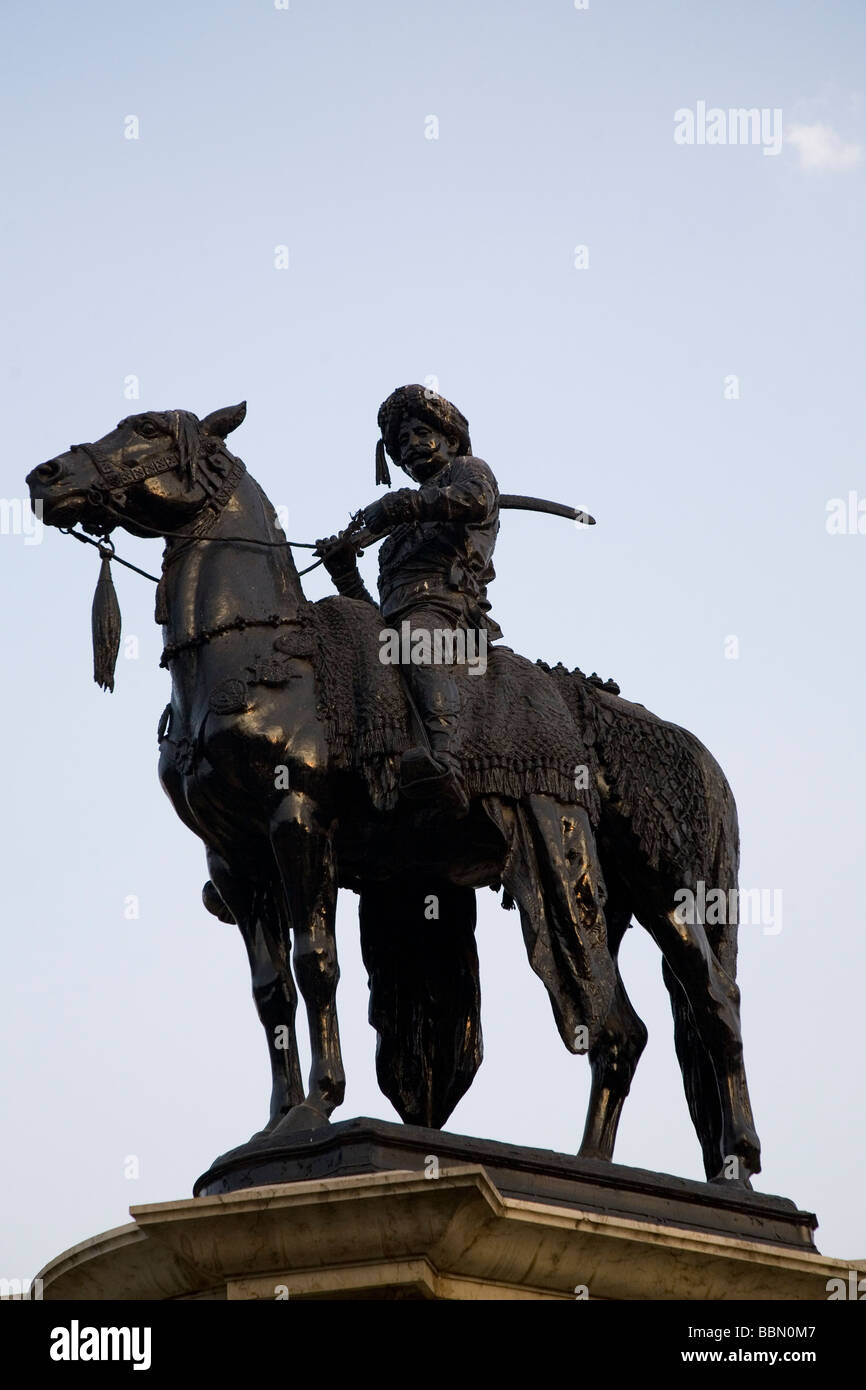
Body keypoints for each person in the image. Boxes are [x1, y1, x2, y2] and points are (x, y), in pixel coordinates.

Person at [316, 384, 502, 817]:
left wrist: (406, 504)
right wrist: (343, 569)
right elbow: (373, 614)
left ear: (451, 440)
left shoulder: (468, 470)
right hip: (394, 623)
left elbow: (478, 500)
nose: (413, 446)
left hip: (449, 615)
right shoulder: (391, 542)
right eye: (402, 442)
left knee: (417, 637)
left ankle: (444, 759)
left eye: (422, 433)